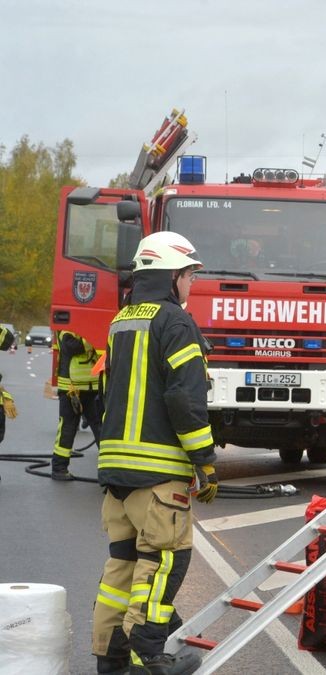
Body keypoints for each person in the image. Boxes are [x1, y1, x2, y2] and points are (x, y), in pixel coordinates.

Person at [92, 231, 216, 675]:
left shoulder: (122, 320)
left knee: (121, 568)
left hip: (117, 475)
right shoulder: (176, 322)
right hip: (159, 475)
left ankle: (110, 657)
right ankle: (149, 655)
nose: (192, 285)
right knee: (164, 563)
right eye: (189, 275)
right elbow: (185, 400)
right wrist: (204, 461)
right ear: (171, 276)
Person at [50, 329, 103, 480]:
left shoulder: (95, 325)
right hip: (71, 389)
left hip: (93, 387)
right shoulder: (67, 328)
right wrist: (93, 339)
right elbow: (70, 346)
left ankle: (109, 470)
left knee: (101, 428)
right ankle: (59, 468)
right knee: (67, 428)